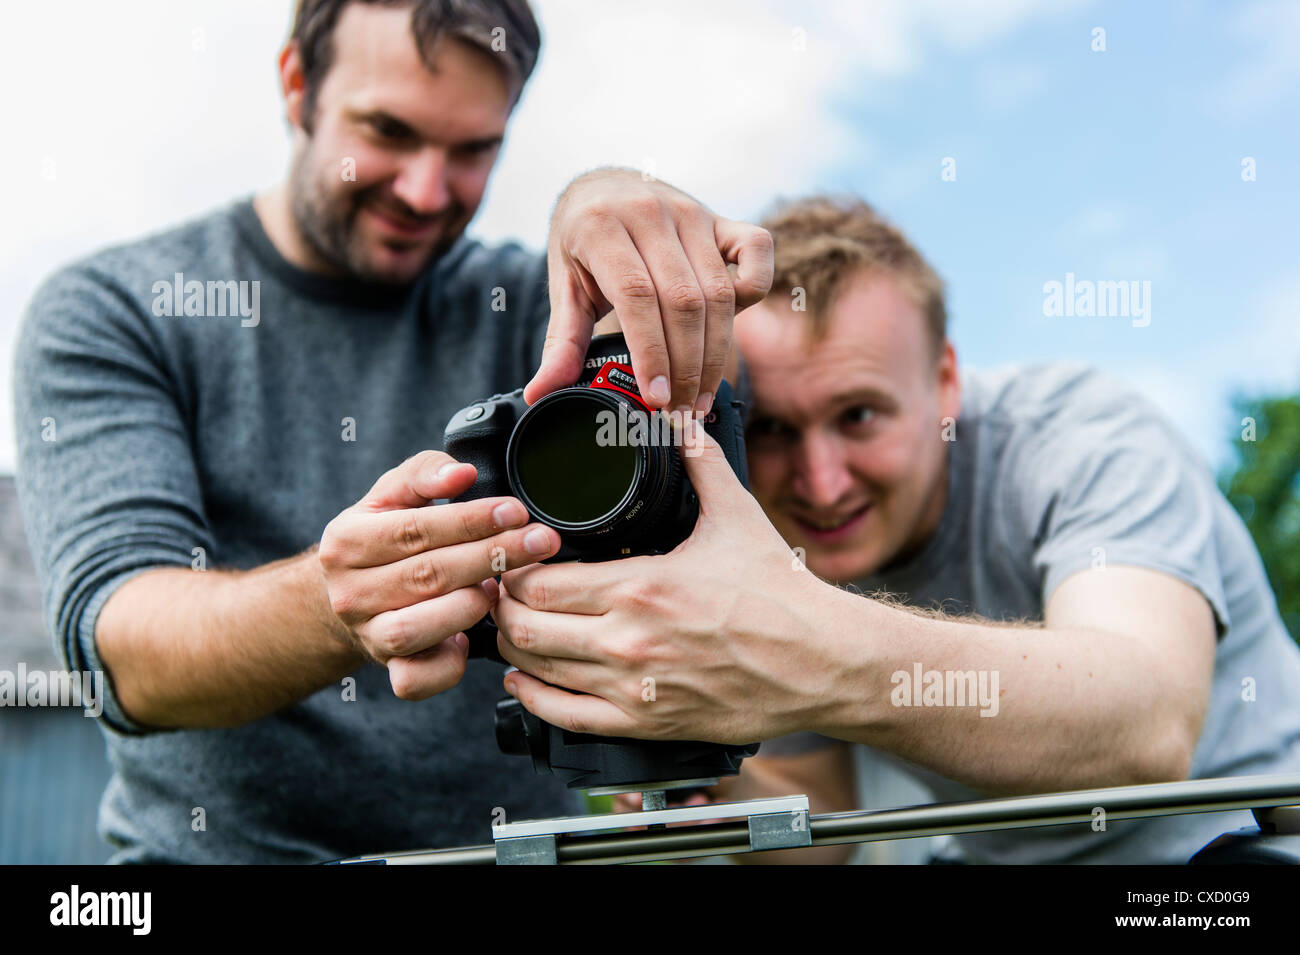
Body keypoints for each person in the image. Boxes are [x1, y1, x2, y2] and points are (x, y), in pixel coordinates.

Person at [12, 0, 772, 864]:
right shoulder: (116, 311)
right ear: (297, 85)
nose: (424, 190)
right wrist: (341, 603)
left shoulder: (543, 314)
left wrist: (608, 210)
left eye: (473, 149)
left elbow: (705, 437)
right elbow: (124, 654)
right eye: (387, 130)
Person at [491, 195, 1300, 864]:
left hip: (1230, 854)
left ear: (946, 381)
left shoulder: (1083, 433)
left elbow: (1143, 725)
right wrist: (702, 777)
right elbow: (826, 821)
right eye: (771, 429)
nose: (821, 481)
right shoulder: (748, 524)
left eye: (860, 414)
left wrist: (803, 646)